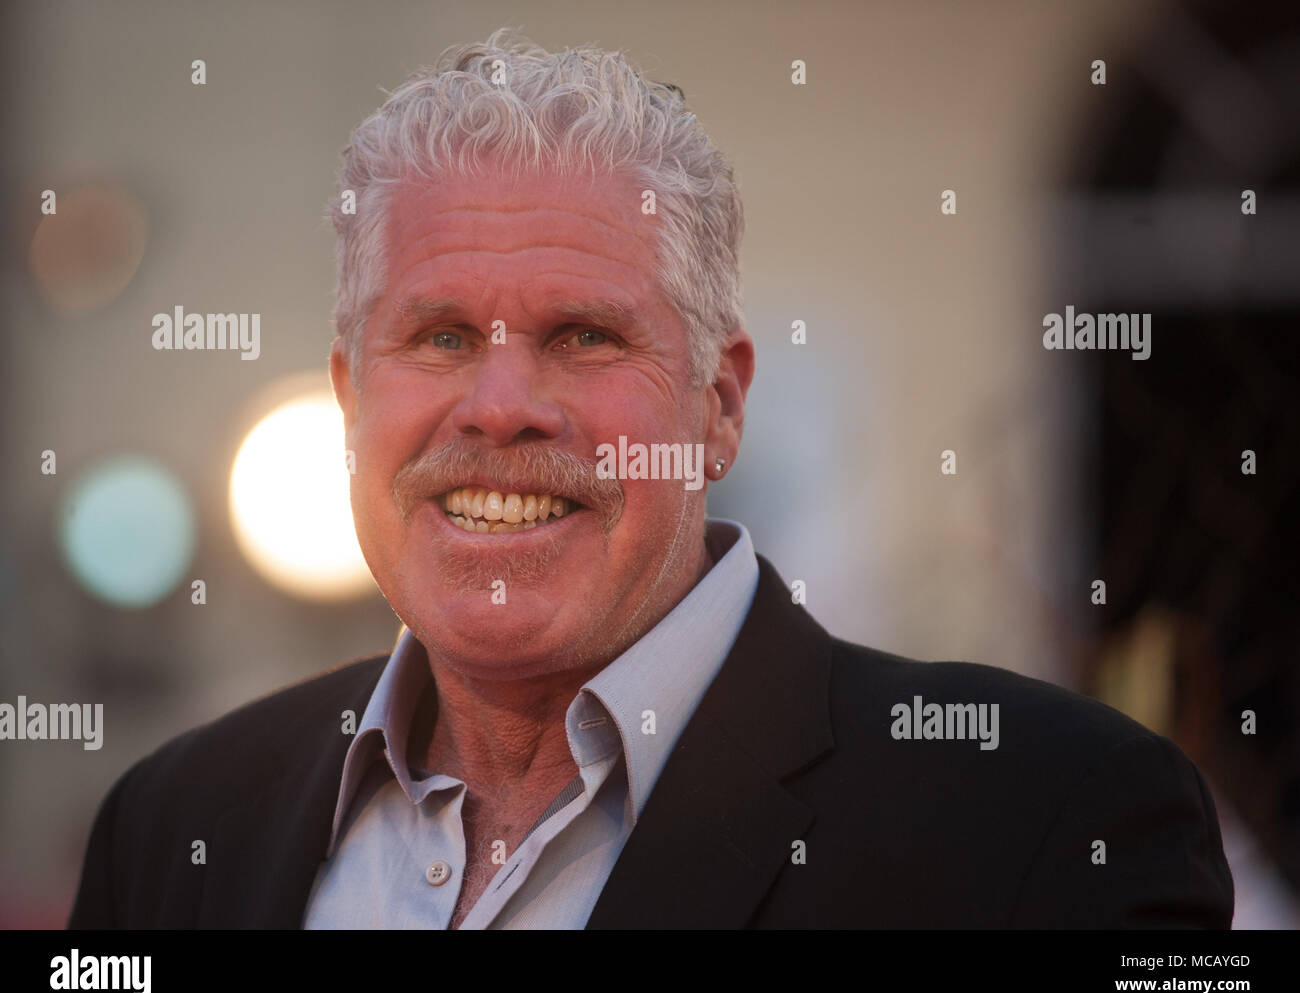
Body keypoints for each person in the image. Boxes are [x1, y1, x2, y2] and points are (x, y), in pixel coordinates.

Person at [68, 28, 1233, 930]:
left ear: (719, 404)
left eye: (582, 335)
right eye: (436, 336)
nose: (499, 403)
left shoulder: (1045, 817)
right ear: (349, 398)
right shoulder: (171, 827)